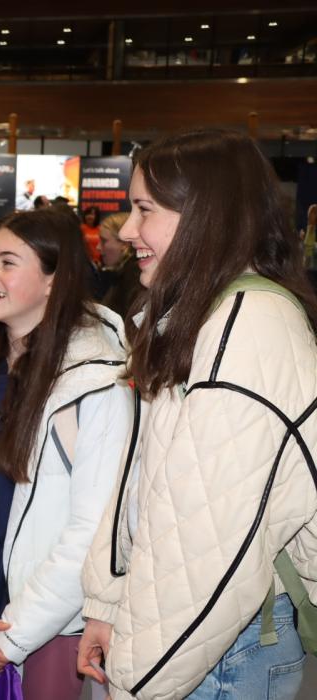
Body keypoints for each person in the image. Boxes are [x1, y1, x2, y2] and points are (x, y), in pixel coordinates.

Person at [79, 128, 317, 699]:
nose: (129, 231)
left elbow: (212, 558)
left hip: (217, 654)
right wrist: (108, 602)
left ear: (205, 215)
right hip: (188, 639)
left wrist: (136, 682)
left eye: (144, 210)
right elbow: (146, 483)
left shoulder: (245, 332)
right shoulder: (202, 318)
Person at [0, 208, 133, 698]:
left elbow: (93, 530)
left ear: (54, 280)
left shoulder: (98, 386)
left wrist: (12, 635)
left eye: (8, 263)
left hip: (50, 628)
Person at [94, 212, 142, 319]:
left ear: (124, 244)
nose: (98, 247)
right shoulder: (125, 273)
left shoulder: (134, 278)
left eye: (104, 241)